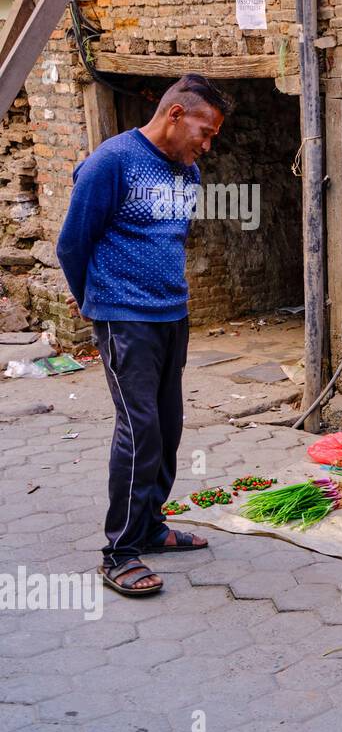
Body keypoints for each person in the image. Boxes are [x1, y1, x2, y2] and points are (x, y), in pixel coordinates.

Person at [56, 74, 234, 597]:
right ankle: (119, 551)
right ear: (176, 114)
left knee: (169, 427)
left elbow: (168, 241)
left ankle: (151, 526)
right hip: (123, 317)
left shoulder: (189, 173)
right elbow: (72, 244)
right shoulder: (114, 161)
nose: (207, 144)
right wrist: (96, 301)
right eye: (205, 131)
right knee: (140, 431)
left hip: (170, 315)